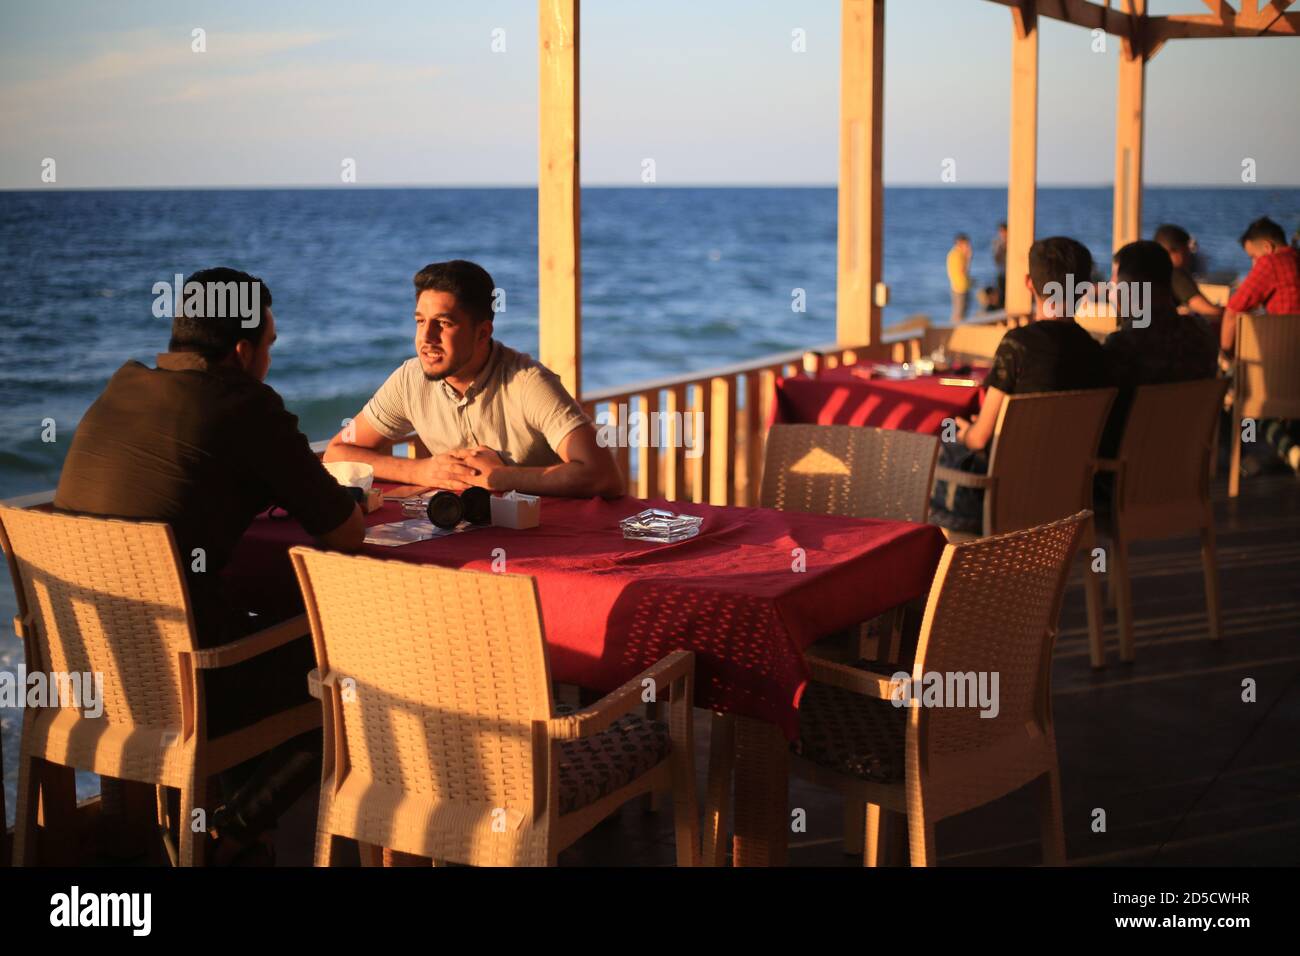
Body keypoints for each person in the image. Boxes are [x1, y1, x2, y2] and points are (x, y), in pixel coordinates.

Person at [55, 267, 365, 862]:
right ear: (244, 352)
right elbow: (346, 533)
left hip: (84, 669)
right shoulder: (246, 403)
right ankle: (234, 830)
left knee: (244, 621)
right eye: (270, 346)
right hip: (180, 685)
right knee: (351, 667)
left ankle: (234, 838)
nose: (270, 359)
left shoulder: (122, 385)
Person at [324, 259, 623, 498]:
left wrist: (499, 478)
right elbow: (337, 453)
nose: (426, 338)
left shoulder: (527, 381)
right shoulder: (408, 380)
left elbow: (601, 474)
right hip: (465, 537)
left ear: (482, 333)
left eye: (443, 323)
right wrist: (422, 471)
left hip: (551, 538)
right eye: (420, 321)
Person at [929, 237, 1112, 533]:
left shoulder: (1018, 346)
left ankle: (950, 569)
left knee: (941, 447)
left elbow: (978, 439)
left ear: (1029, 283)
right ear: (1085, 289)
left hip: (1006, 497)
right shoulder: (1096, 352)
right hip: (1069, 496)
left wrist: (964, 432)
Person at [1099, 240, 1218, 467]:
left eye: (1115, 282)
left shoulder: (1123, 347)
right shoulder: (1202, 336)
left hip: (1127, 476)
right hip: (1185, 471)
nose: (1111, 288)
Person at [1220, 216, 1300, 355]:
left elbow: (1232, 312)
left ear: (1267, 247)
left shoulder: (1271, 262)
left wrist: (1224, 357)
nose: (1253, 263)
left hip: (1285, 354)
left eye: (1253, 256)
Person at [1153, 224, 1224, 320]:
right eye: (1185, 251)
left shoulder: (1149, 270)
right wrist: (1229, 312)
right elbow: (1208, 310)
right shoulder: (1174, 273)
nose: (1189, 256)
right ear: (1172, 251)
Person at [947, 234, 972, 323]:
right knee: (959, 314)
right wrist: (969, 258)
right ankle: (957, 332)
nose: (968, 246)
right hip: (960, 287)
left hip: (958, 286)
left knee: (959, 313)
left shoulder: (953, 253)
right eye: (967, 244)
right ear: (960, 243)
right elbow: (963, 271)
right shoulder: (958, 255)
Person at [992, 222, 1008, 309]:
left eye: (1004, 231)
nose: (1002, 234)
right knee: (1001, 294)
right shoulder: (997, 242)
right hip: (1002, 272)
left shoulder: (1013, 241)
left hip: (1011, 273)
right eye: (1001, 231)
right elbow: (996, 258)